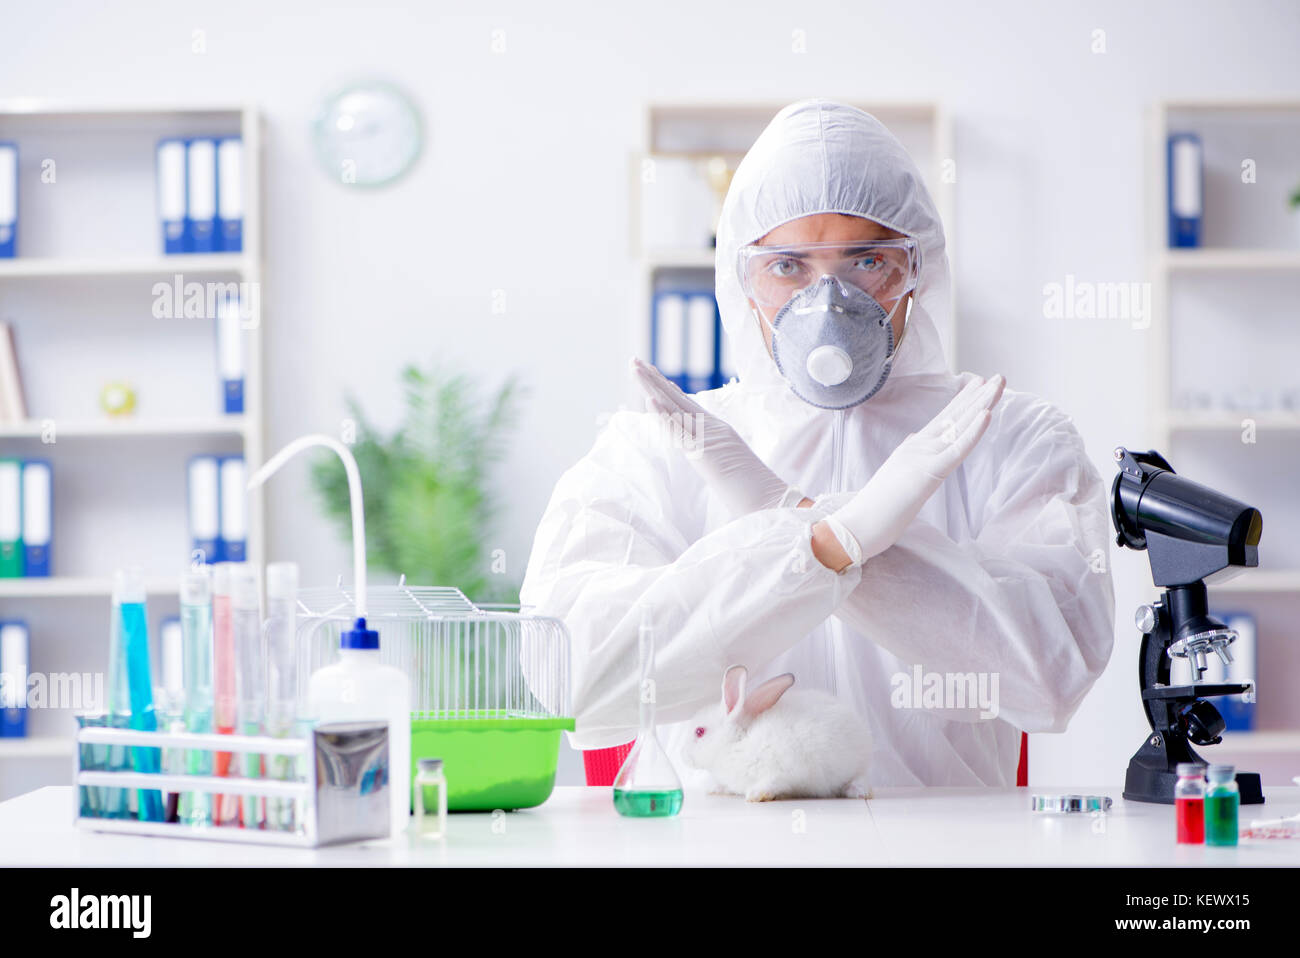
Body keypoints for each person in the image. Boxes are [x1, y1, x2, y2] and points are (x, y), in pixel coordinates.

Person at [520, 99, 1115, 787]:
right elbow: (577, 678)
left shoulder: (1005, 434)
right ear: (742, 282)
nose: (829, 301)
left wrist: (804, 523)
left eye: (867, 261)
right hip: (712, 847)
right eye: (788, 267)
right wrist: (820, 544)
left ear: (917, 271)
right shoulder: (663, 445)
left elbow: (1051, 675)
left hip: (945, 843)